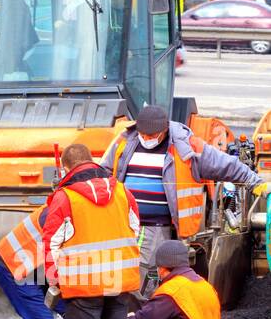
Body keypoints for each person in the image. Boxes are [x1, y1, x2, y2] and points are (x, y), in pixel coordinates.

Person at [101, 104, 265, 295]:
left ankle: (142, 315)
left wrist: (255, 182)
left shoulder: (186, 146)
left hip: (156, 226)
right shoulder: (125, 141)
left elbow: (225, 165)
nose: (146, 140)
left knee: (143, 275)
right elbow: (104, 171)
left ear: (164, 130)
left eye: (151, 136)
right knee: (122, 272)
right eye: (142, 135)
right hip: (124, 223)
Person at [40, 144, 142, 319]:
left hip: (83, 285)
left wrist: (55, 279)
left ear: (66, 167)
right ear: (92, 161)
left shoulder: (65, 198)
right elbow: (135, 228)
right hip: (119, 281)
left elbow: (51, 243)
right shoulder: (122, 191)